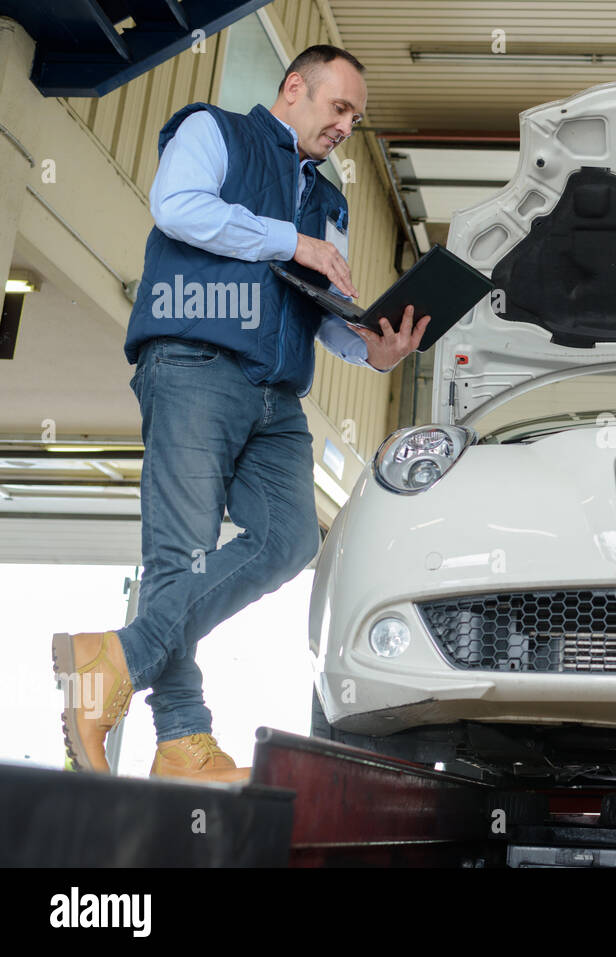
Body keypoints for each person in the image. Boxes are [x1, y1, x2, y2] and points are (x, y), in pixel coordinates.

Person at [53, 44, 431, 783]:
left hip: (279, 393)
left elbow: (321, 310)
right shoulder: (213, 131)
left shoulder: (330, 201)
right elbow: (178, 208)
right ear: (295, 88)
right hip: (194, 362)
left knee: (290, 540)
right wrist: (292, 241)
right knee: (181, 555)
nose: (347, 125)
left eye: (356, 116)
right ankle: (182, 741)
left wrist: (372, 353)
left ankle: (115, 657)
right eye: (339, 107)